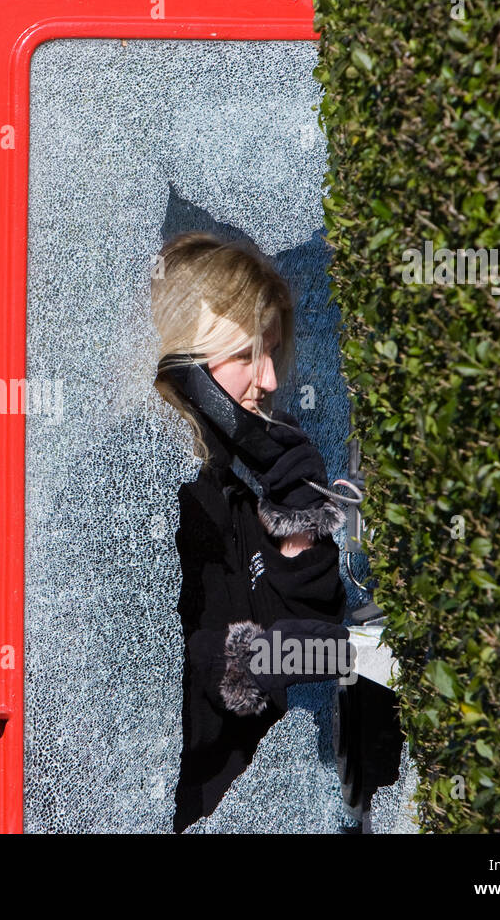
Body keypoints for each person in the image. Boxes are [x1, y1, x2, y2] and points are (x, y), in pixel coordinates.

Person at [151, 231, 358, 833]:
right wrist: (256, 657)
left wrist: (299, 506)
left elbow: (310, 633)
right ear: (183, 367)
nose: (267, 378)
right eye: (244, 356)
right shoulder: (138, 488)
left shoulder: (239, 491)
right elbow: (151, 678)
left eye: (271, 353)